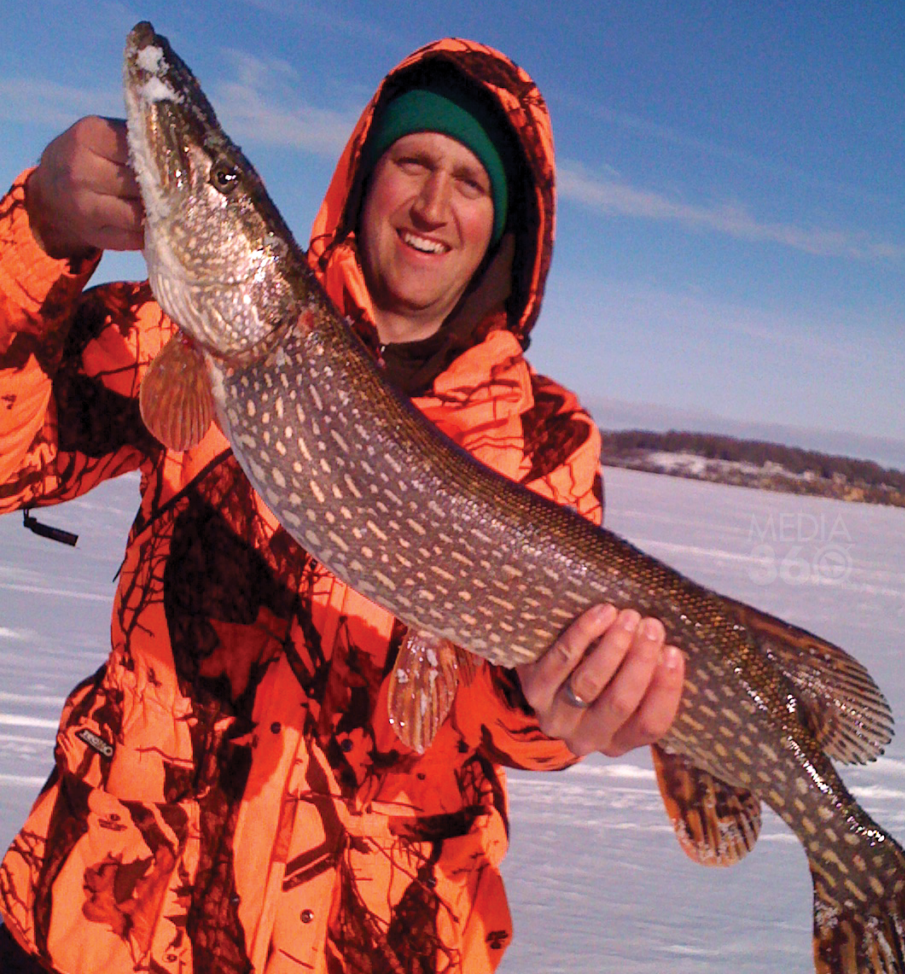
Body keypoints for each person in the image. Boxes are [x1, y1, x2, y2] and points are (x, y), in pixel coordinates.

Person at [0, 38, 684, 973]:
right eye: (413, 161)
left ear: (506, 227)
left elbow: (499, 717)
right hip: (102, 914)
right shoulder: (180, 337)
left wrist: (560, 703)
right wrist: (39, 231)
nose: (434, 204)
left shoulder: (546, 440)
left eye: (470, 182)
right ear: (363, 176)